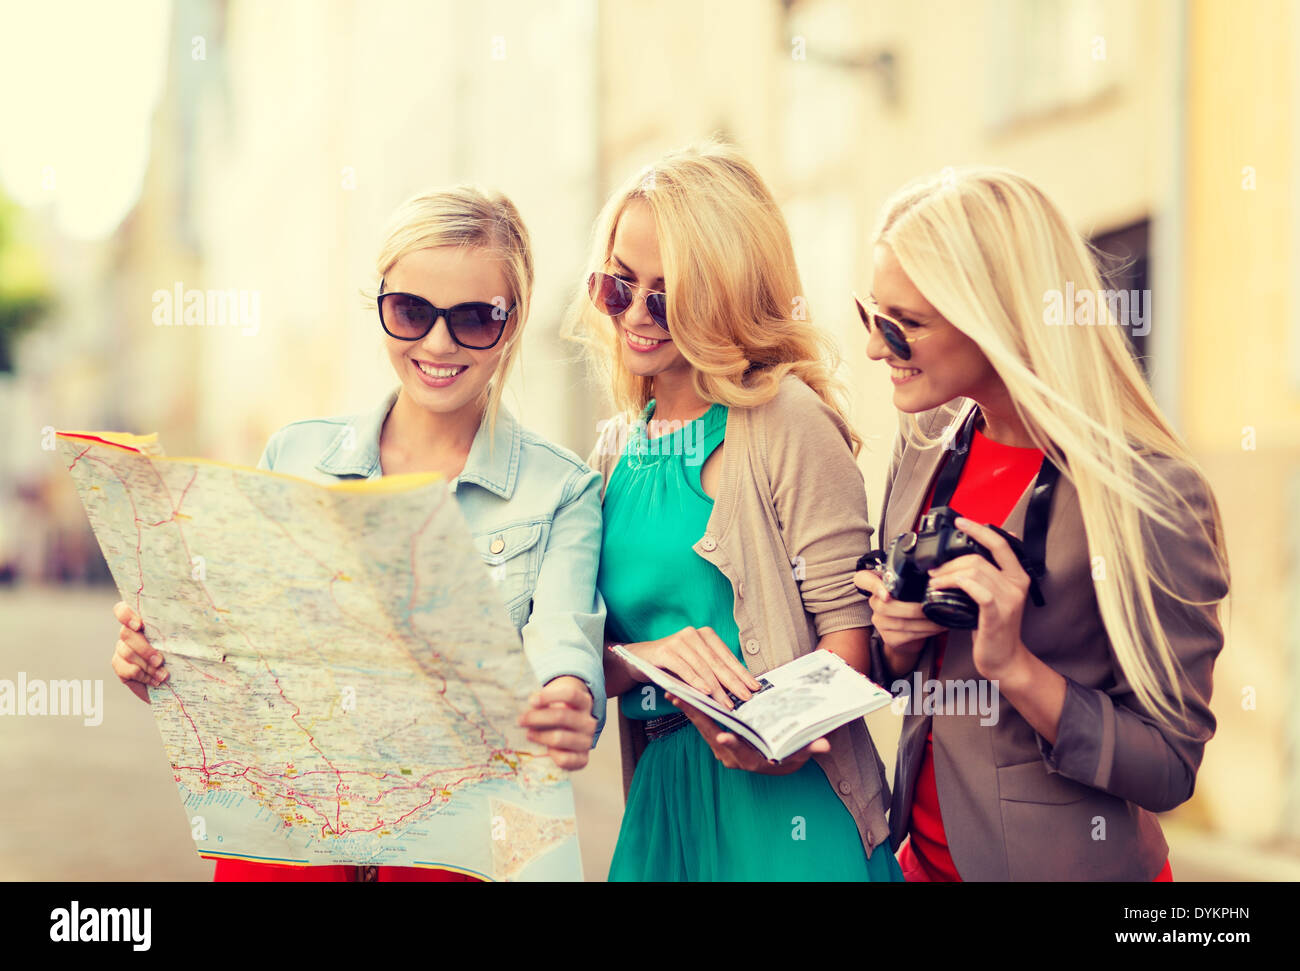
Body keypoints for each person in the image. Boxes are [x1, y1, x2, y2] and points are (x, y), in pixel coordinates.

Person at [110, 185, 606, 882]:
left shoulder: (562, 491)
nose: (438, 343)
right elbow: (234, 652)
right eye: (410, 311)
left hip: (461, 848)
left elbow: (564, 636)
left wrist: (569, 696)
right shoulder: (293, 457)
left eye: (474, 318)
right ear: (379, 302)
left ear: (514, 321)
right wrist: (163, 661)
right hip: (296, 835)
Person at [854, 167, 1230, 881]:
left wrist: (1017, 670)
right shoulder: (928, 439)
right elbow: (907, 682)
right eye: (873, 314)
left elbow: (1171, 767)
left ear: (999, 317)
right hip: (918, 861)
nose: (877, 347)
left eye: (904, 326)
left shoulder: (1153, 496)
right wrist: (895, 649)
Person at [571, 139, 903, 881]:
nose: (636, 315)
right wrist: (638, 657)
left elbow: (851, 647)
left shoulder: (787, 418)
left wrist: (765, 734)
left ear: (724, 293)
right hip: (663, 801)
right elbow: (576, 656)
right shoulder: (614, 450)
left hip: (788, 807)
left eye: (668, 295)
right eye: (618, 285)